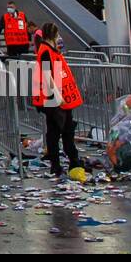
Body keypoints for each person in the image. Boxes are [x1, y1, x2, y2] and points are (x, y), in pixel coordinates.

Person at [33, 23, 82, 177]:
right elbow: (48, 77)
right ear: (53, 35)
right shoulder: (46, 52)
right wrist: (59, 97)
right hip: (56, 99)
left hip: (55, 98)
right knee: (64, 131)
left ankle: (58, 164)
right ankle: (70, 161)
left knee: (56, 131)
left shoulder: (49, 51)